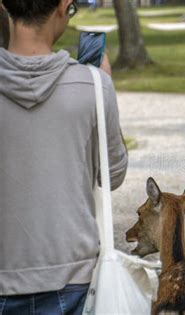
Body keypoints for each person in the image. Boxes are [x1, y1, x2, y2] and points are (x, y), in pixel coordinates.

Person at [0, 0, 128, 314]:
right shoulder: (94, 85)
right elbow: (112, 176)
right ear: (63, 7)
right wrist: (102, 89)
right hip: (73, 277)